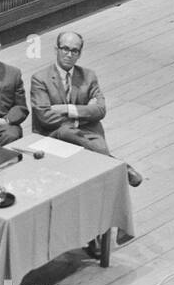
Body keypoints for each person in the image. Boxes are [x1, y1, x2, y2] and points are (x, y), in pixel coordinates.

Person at [28, 30, 143, 187]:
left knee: (96, 147)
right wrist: (83, 113)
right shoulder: (40, 78)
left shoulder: (88, 76)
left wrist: (67, 108)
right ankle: (119, 166)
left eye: (74, 51)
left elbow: (100, 110)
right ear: (56, 49)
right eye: (65, 49)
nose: (69, 54)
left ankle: (109, 177)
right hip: (53, 133)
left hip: (86, 132)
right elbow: (45, 116)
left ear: (79, 54)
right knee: (67, 132)